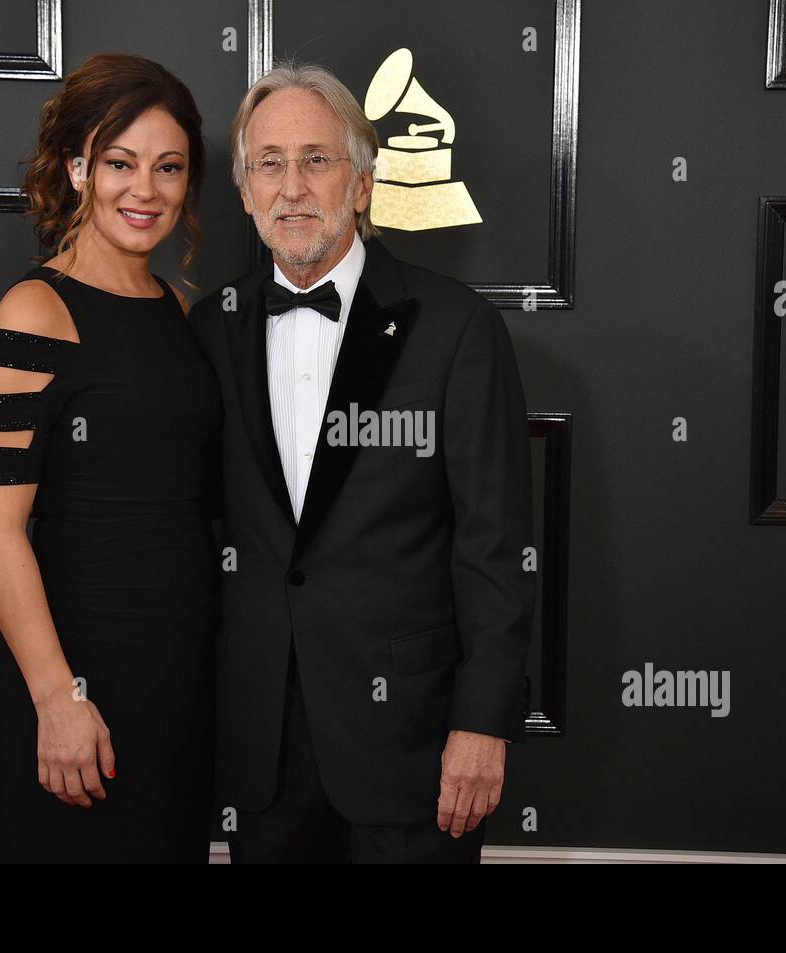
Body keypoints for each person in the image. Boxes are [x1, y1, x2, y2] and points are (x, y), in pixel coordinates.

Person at [189, 60, 535, 863]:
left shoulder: (456, 329)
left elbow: (495, 545)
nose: (293, 187)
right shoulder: (210, 331)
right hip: (262, 749)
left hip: (412, 748)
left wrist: (483, 720)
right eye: (268, 164)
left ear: (364, 183)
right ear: (244, 192)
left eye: (317, 159)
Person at [0, 53, 219, 863]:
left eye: (168, 167)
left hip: (180, 676)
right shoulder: (33, 313)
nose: (145, 189)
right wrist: (57, 697)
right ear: (77, 168)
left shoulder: (181, 310)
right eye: (120, 162)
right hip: (81, 676)